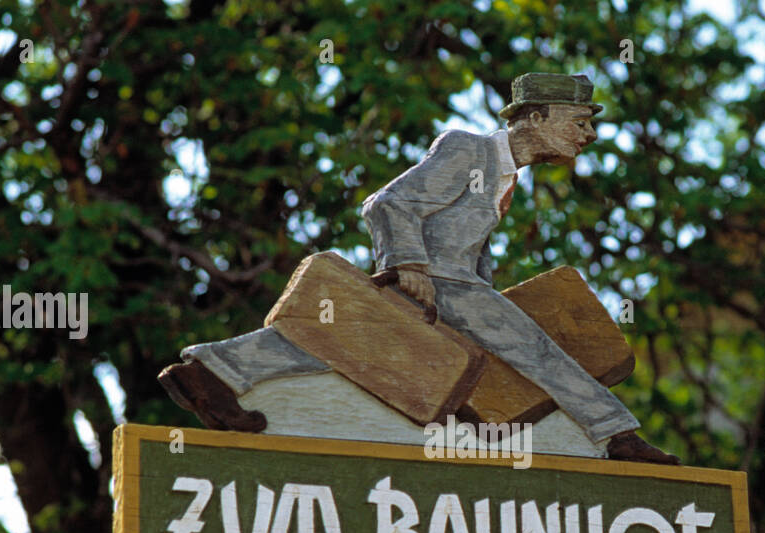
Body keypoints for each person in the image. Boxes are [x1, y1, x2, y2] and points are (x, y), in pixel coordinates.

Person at [160, 72, 678, 464]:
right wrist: (408, 267)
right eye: (580, 122)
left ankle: (207, 375)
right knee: (541, 351)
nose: (588, 135)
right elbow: (386, 204)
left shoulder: (505, 178)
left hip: (456, 287)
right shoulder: (467, 149)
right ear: (537, 117)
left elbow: (469, 245)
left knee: (339, 345)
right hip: (442, 285)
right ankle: (617, 436)